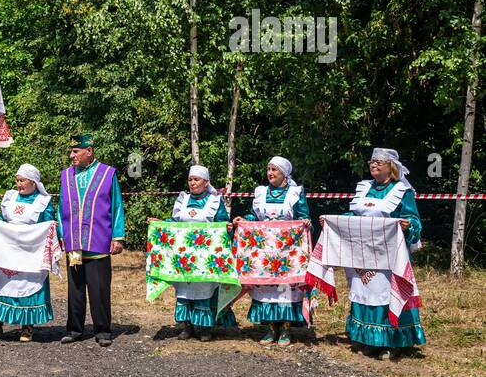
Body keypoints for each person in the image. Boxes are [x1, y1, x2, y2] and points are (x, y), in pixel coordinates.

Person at [330, 148, 425, 361]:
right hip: (363, 253)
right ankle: (371, 340)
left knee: (387, 293)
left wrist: (408, 225)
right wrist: (334, 221)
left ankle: (393, 342)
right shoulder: (364, 189)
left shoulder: (402, 191)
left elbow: (415, 221)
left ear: (390, 167)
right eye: (372, 161)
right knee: (365, 292)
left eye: (378, 162)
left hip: (389, 255)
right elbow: (353, 215)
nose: (373, 165)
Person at [148, 165, 235, 342]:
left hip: (205, 259)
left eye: (196, 179)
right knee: (184, 290)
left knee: (204, 289)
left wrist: (227, 228)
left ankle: (204, 328)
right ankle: (187, 326)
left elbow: (223, 225)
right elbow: (174, 223)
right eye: (190, 179)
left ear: (206, 182)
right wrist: (160, 223)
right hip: (184, 258)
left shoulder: (214, 202)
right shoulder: (182, 199)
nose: (193, 183)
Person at [232, 156, 311, 346]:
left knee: (285, 288)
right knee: (266, 288)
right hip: (264, 251)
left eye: (274, 170)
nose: (270, 173)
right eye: (268, 169)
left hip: (287, 252)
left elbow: (303, 216)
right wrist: (244, 220)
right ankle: (270, 329)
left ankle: (285, 329)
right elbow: (255, 215)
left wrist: (306, 222)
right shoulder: (260, 192)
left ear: (284, 174)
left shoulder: (295, 192)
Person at [56, 133, 125, 347]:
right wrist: (61, 233)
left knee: (99, 288)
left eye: (75, 151)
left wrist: (118, 236)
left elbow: (116, 206)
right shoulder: (66, 175)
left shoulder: (107, 173)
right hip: (74, 244)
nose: (71, 155)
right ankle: (75, 329)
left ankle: (103, 330)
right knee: (75, 287)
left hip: (98, 242)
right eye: (71, 151)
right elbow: (61, 207)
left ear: (89, 151)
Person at [0, 164, 57, 342]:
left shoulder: (43, 201)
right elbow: (2, 219)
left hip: (31, 253)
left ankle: (27, 327)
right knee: (3, 285)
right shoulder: (10, 197)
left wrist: (54, 228)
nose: (18, 184)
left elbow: (49, 224)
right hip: (8, 251)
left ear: (33, 182)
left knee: (27, 286)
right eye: (17, 180)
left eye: (22, 180)